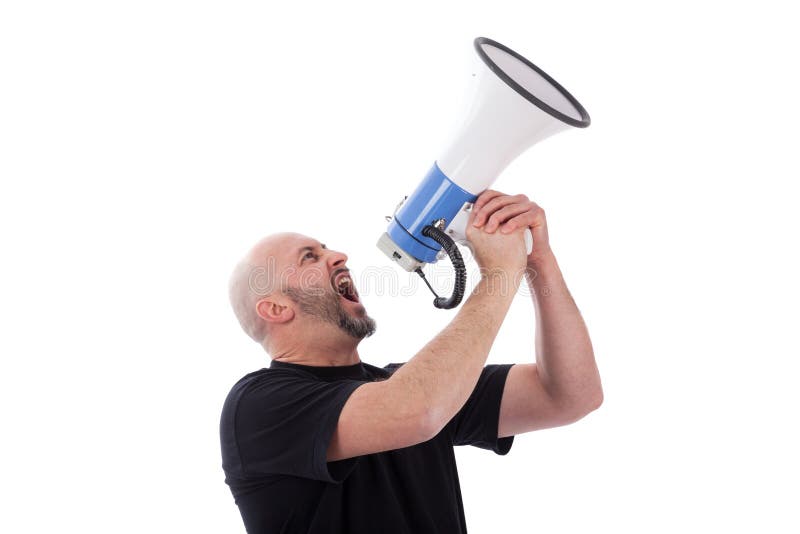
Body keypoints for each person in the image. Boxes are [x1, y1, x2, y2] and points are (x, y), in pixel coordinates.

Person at [220, 190, 603, 533]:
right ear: (275, 308)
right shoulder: (257, 407)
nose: (339, 256)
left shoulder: (415, 384)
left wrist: (538, 260)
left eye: (326, 248)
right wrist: (499, 275)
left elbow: (571, 395)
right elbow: (417, 409)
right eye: (310, 257)